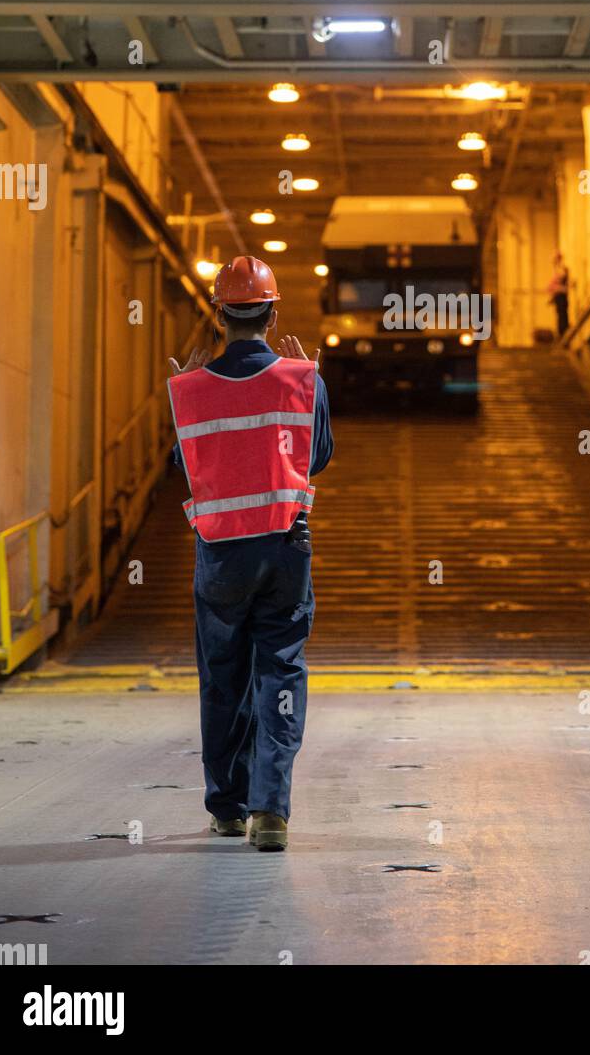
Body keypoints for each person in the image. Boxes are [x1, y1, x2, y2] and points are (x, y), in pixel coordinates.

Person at [167, 255, 333, 852]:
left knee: (222, 678)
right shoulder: (303, 380)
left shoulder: (186, 390)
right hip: (286, 548)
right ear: (273, 310)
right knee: (281, 669)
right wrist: (302, 375)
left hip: (219, 555)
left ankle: (227, 810)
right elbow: (316, 458)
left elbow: (184, 468)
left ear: (220, 314)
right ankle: (271, 812)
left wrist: (186, 393)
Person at [547, 251, 570, 338]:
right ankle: (561, 333)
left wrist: (553, 285)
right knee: (559, 315)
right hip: (558, 295)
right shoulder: (557, 269)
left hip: (561, 295)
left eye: (554, 259)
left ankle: (563, 333)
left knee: (562, 314)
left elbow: (560, 279)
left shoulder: (561, 269)